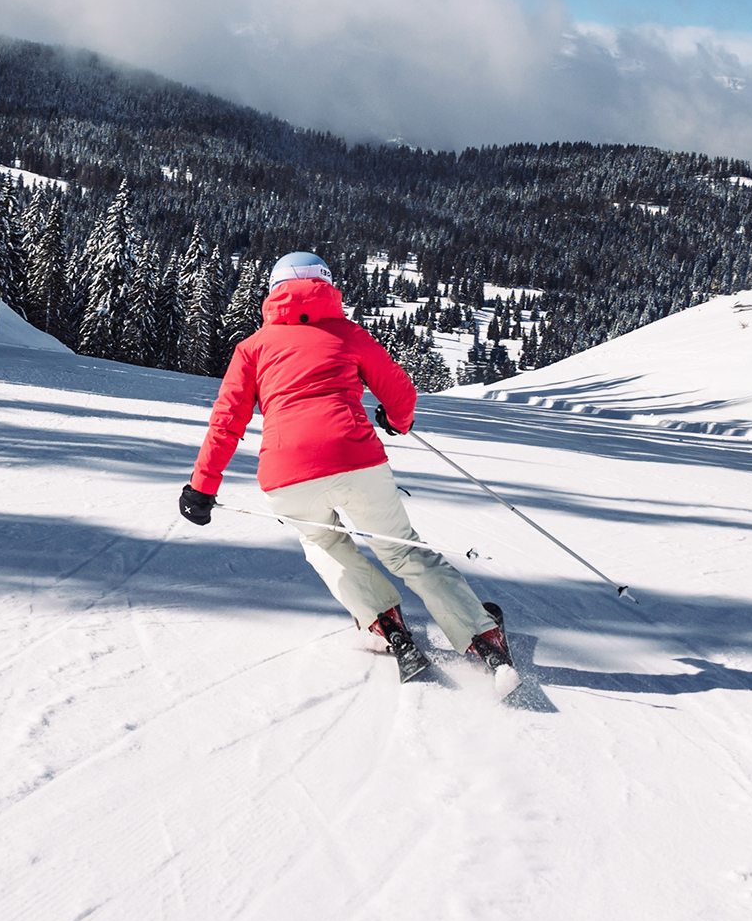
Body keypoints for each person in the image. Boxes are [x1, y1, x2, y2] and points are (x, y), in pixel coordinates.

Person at [178, 251, 516, 686]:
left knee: (322, 544)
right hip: (356, 458)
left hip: (287, 472)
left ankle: (386, 625)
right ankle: (483, 639)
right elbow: (400, 393)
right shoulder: (348, 334)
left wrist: (202, 487)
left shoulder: (253, 348)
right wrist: (396, 421)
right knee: (404, 551)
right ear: (326, 285)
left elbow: (227, 422)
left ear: (274, 291)